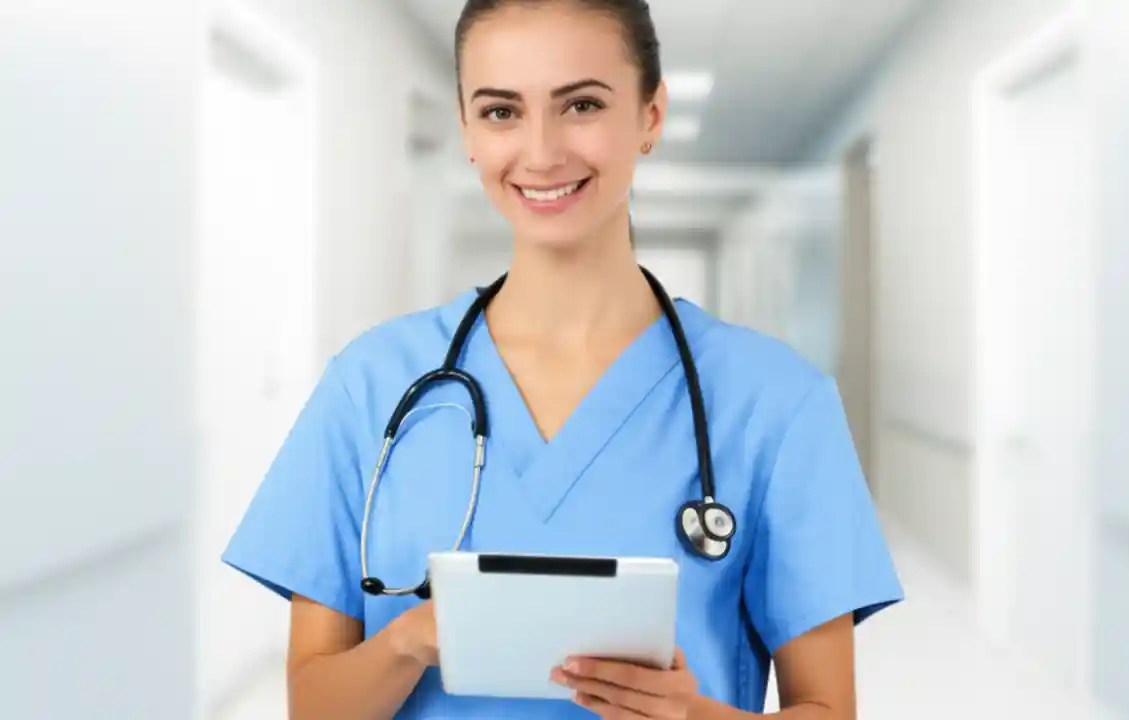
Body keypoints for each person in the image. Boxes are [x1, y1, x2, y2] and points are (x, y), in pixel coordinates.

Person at [221, 1, 902, 717]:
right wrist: (412, 639)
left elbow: (829, 708)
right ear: (466, 131)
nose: (541, 152)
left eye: (581, 104)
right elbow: (313, 706)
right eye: (500, 111)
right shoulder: (371, 386)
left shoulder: (776, 402)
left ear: (650, 114)